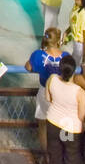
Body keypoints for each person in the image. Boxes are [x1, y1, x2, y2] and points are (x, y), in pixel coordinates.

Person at [25, 26, 67, 155]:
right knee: (60, 125)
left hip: (44, 92)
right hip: (62, 93)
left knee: (43, 125)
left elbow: (28, 67)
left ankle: (46, 155)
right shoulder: (66, 56)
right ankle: (59, 154)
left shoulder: (38, 55)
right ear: (59, 41)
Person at [44, 54, 85, 164]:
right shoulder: (79, 92)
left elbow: (48, 98)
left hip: (53, 123)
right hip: (70, 129)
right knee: (72, 160)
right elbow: (81, 115)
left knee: (55, 158)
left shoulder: (52, 78)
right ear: (74, 71)